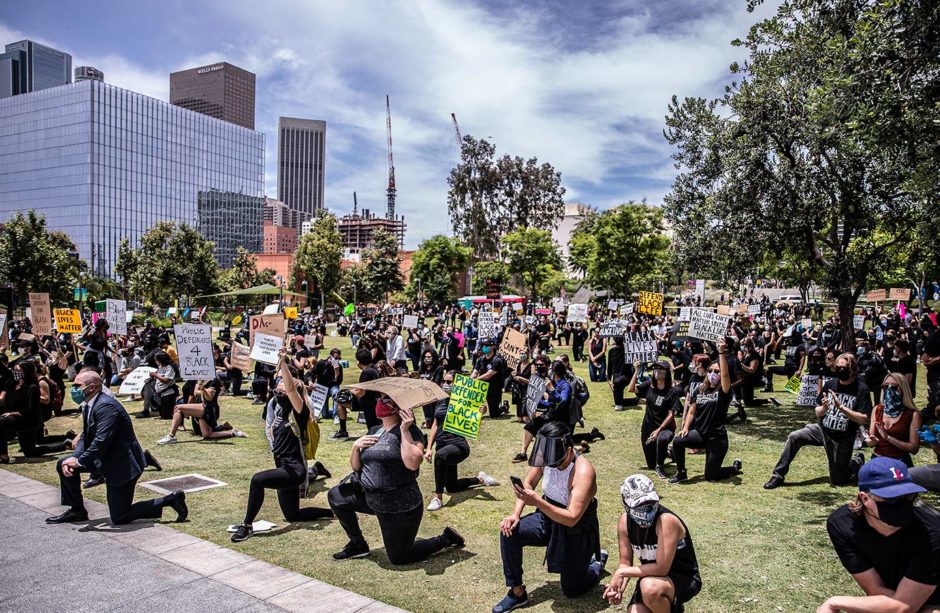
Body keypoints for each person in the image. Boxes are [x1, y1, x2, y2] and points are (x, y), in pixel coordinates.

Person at [327, 394, 465, 563]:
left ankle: (446, 538)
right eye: (380, 399)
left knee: (400, 557)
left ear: (399, 407)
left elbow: (413, 463)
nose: (380, 403)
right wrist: (355, 447)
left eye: (387, 400)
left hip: (398, 504)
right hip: (371, 497)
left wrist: (405, 430)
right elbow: (356, 467)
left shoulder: (411, 431)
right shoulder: (374, 430)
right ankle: (358, 544)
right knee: (336, 496)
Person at [45, 370, 188, 525]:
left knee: (120, 516)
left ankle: (171, 500)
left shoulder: (106, 407)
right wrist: (75, 456)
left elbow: (101, 440)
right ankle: (77, 510)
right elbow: (87, 435)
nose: (73, 389)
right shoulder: (89, 404)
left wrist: (80, 462)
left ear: (91, 387)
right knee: (64, 464)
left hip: (122, 464)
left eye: (77, 385)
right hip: (104, 458)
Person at [493, 422, 606, 613]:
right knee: (509, 532)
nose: (550, 465)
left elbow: (572, 517)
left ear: (569, 450)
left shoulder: (583, 471)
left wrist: (537, 502)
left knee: (572, 589)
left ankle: (596, 564)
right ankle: (517, 592)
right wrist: (515, 514)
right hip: (547, 517)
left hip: (575, 527)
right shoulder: (548, 453)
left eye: (557, 462)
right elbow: (529, 483)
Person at [231, 349, 333, 542]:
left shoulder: (299, 414)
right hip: (283, 467)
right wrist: (278, 364)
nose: (278, 392)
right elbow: (280, 383)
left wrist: (284, 361)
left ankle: (246, 526)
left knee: (257, 480)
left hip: (294, 470)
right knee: (292, 515)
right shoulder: (279, 413)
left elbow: (292, 388)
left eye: (282, 390)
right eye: (276, 389)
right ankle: (333, 510)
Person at [820, 457, 940, 613]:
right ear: (865, 498)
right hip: (902, 601)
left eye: (909, 495)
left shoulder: (932, 531)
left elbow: (903, 608)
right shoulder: (843, 525)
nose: (902, 503)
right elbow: (875, 589)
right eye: (892, 498)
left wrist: (834, 602)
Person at [764, 353, 872, 489]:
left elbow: (863, 419)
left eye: (843, 368)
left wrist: (842, 408)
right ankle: (778, 475)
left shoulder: (861, 389)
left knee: (838, 480)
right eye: (837, 367)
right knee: (794, 437)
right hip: (822, 429)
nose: (840, 371)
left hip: (842, 438)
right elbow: (817, 411)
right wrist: (824, 408)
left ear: (852, 369)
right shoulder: (831, 384)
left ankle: (856, 461)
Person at [603, 474, 702, 610]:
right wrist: (618, 587)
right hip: (650, 578)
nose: (647, 510)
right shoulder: (624, 522)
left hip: (682, 577)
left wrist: (621, 573)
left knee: (649, 588)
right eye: (640, 505)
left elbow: (662, 569)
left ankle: (671, 605)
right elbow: (625, 563)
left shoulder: (666, 521)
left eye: (650, 503)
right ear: (627, 505)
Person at [425, 370, 500, 511]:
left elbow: (473, 419)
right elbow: (435, 424)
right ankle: (481, 479)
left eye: (448, 382)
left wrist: (481, 411)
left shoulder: (465, 400)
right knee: (452, 487)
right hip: (442, 445)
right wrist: (429, 447)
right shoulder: (440, 400)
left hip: (458, 445)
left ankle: (438, 498)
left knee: (440, 457)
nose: (445, 385)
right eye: (443, 381)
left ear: (457, 384)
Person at [669, 342, 743, 484]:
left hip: (716, 439)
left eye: (716, 371)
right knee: (678, 441)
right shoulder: (700, 389)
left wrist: (721, 352)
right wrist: (685, 428)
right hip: (700, 434)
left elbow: (726, 375)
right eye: (710, 371)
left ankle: (733, 468)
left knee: (711, 476)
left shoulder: (724, 391)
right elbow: (691, 411)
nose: (712, 374)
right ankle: (681, 473)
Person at [629, 361, 681, 480]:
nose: (657, 371)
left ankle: (661, 466)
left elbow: (671, 414)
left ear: (667, 373)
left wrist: (658, 430)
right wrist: (636, 370)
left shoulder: (672, 391)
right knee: (650, 465)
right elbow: (631, 389)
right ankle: (668, 453)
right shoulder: (648, 385)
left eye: (660, 369)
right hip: (647, 427)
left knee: (662, 439)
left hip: (664, 428)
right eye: (655, 368)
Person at [157, 378, 247, 444]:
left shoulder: (214, 380)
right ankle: (233, 432)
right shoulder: (200, 379)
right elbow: (195, 392)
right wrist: (204, 390)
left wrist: (203, 389)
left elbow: (209, 398)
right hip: (201, 406)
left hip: (209, 407)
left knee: (178, 408)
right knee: (207, 435)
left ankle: (171, 436)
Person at [867, 373, 921, 467]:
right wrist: (871, 441)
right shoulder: (877, 409)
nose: (889, 390)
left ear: (903, 389)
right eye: (885, 386)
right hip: (878, 459)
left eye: (894, 387)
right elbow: (871, 441)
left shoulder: (912, 414)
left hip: (900, 461)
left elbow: (914, 448)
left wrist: (888, 438)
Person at [471, 338, 509, 418]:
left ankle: (505, 406)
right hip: (482, 387)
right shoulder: (480, 360)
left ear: (492, 347)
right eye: (483, 345)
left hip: (494, 388)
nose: (484, 347)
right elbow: (475, 371)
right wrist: (471, 378)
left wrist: (475, 380)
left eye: (487, 345)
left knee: (494, 414)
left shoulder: (497, 360)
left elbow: (488, 375)